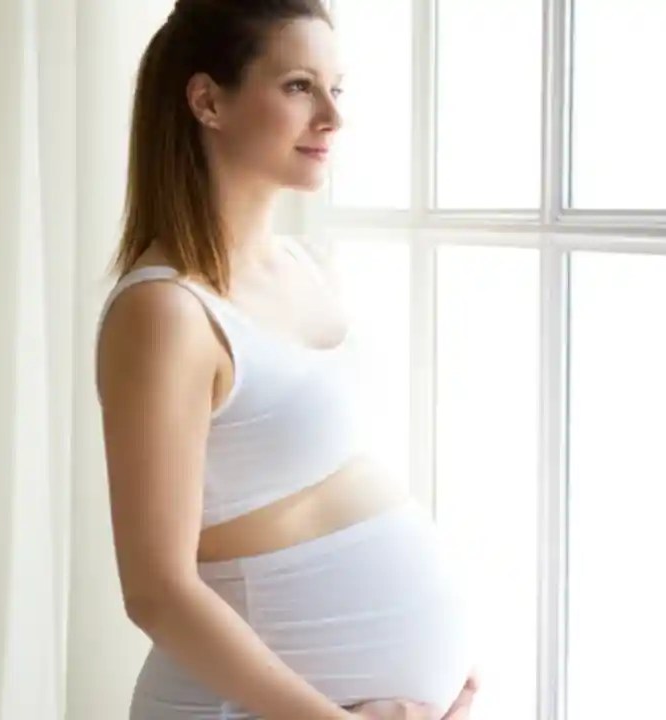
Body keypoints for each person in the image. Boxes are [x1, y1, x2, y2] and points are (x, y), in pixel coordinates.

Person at [93, 2, 478, 718]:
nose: (333, 116)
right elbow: (155, 591)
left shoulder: (306, 265)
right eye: (300, 86)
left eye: (338, 88)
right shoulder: (166, 312)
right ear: (208, 101)